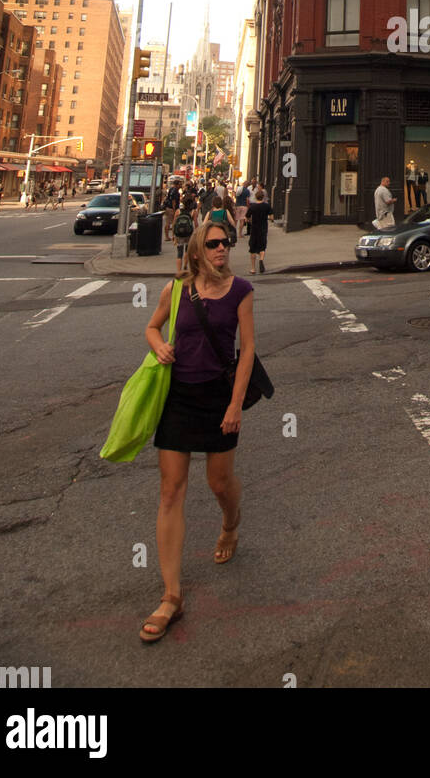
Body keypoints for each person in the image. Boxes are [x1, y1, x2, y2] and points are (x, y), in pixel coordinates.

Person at [139, 220, 255, 643]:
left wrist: (235, 404)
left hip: (218, 400)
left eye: (226, 242)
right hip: (179, 399)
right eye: (214, 244)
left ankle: (230, 523)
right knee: (171, 491)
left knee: (219, 483)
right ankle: (171, 596)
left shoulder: (241, 292)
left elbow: (248, 353)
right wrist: (159, 345)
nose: (223, 248)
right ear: (196, 252)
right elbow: (152, 327)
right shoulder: (177, 290)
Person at [172, 188, 197, 279]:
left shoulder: (178, 211)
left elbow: (174, 223)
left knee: (179, 252)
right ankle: (185, 267)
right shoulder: (193, 212)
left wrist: (173, 235)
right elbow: (196, 224)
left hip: (179, 234)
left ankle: (179, 272)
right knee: (187, 250)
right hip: (189, 233)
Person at [246, 186, 271, 275]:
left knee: (252, 249)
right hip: (263, 228)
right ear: (263, 197)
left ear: (256, 197)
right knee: (262, 246)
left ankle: (253, 268)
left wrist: (249, 221)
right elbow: (272, 217)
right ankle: (261, 260)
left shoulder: (252, 207)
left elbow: (247, 217)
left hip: (254, 229)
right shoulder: (267, 206)